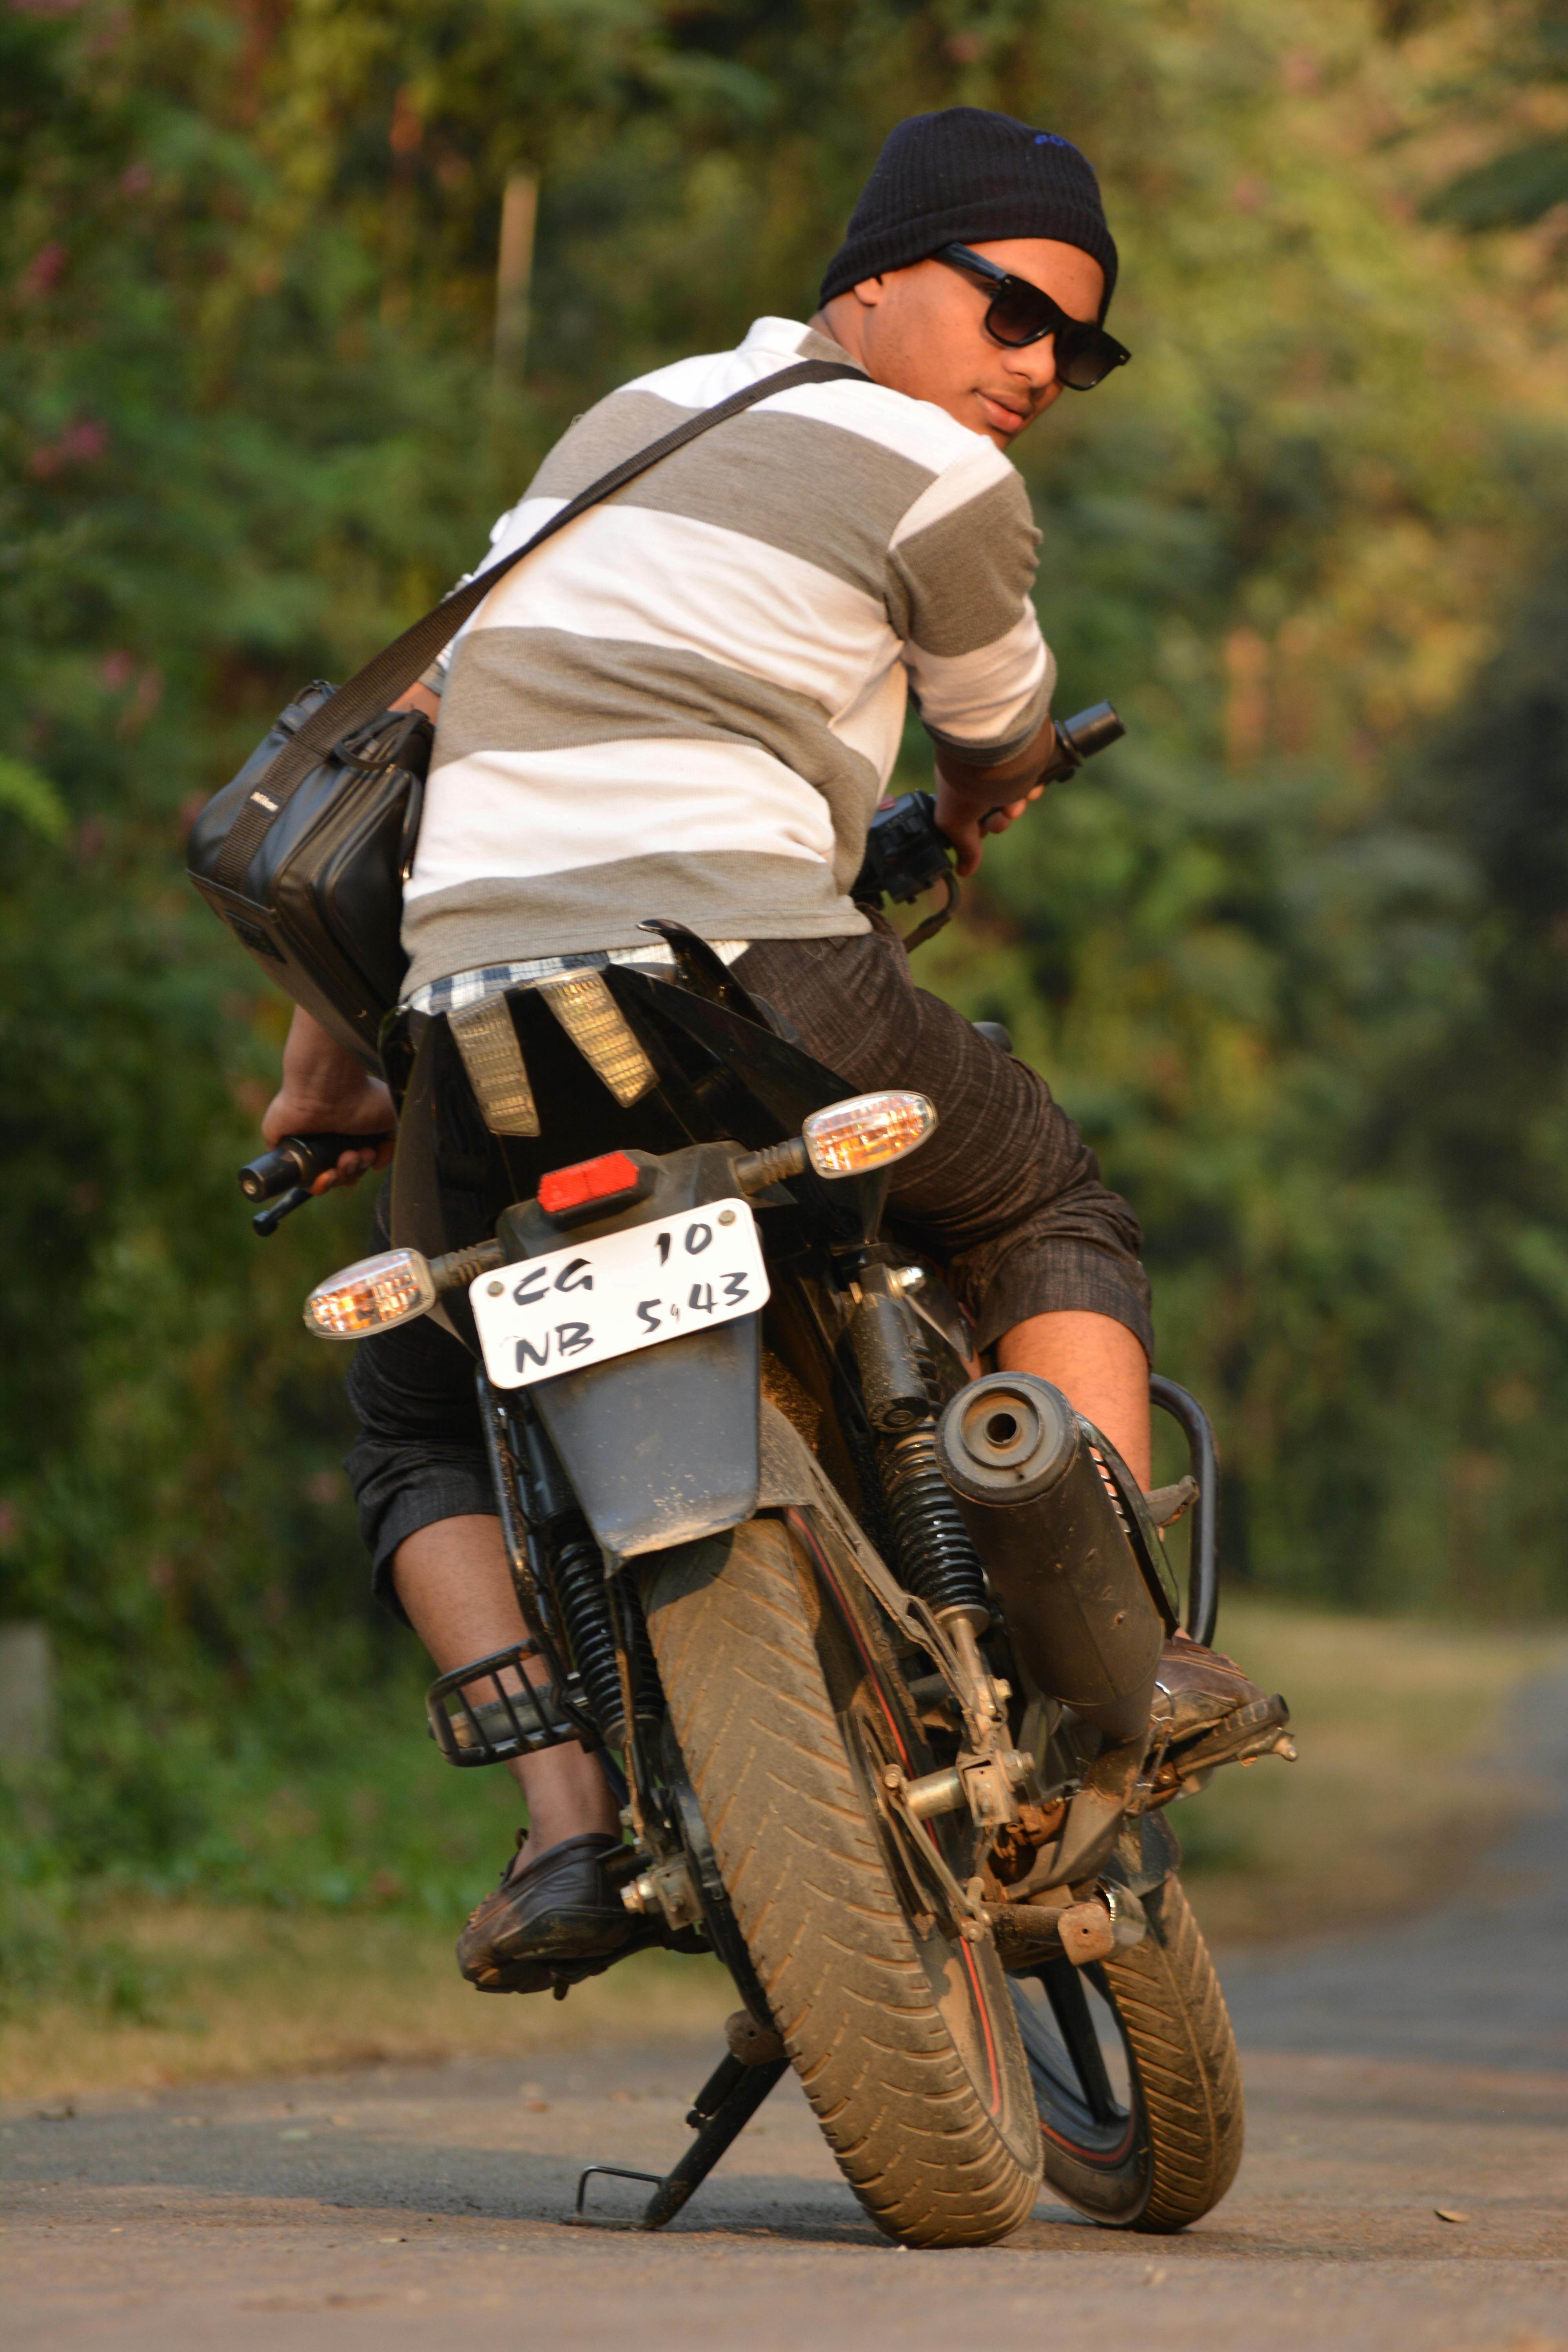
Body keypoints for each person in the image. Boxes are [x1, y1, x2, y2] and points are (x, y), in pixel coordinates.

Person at [262, 107, 1271, 1991]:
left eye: (1081, 346)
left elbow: (403, 734)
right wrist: (976, 810)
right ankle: (1132, 1661)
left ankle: (562, 1828)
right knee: (1049, 1197)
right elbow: (995, 739)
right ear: (874, 277)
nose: (1042, 368)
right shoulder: (936, 480)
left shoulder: (610, 431)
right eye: (1013, 313)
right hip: (746, 975)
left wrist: (325, 1075)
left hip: (464, 1006)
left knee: (418, 1401)